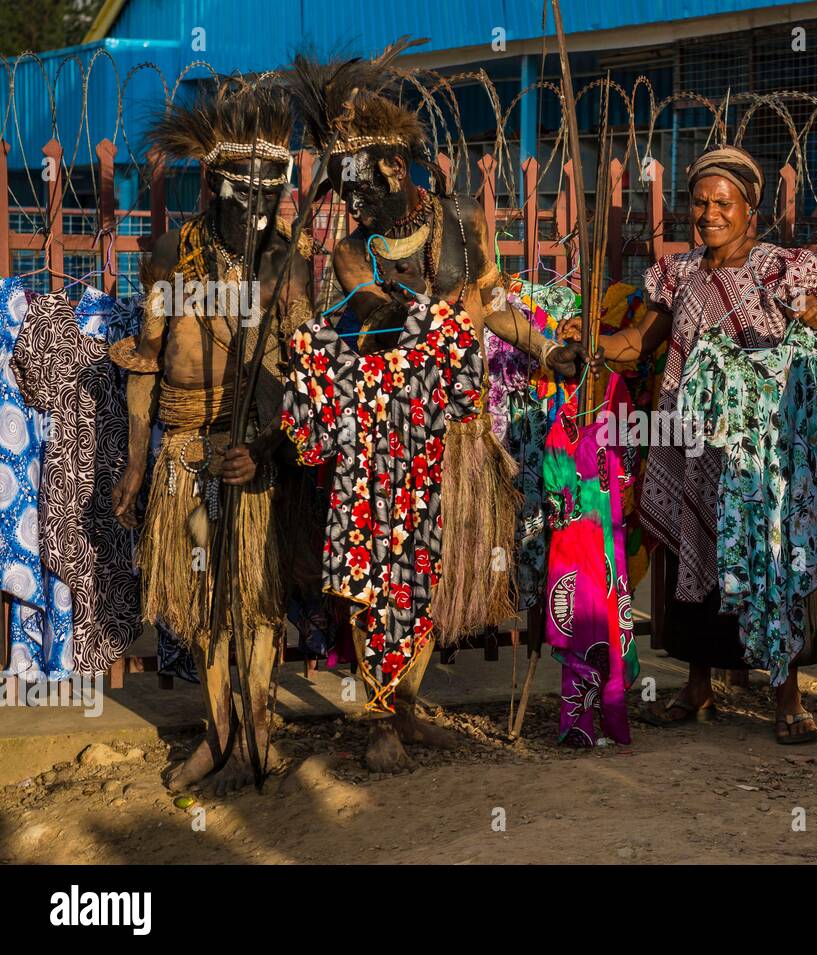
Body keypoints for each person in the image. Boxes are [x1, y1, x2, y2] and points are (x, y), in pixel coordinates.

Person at [283, 52, 582, 772]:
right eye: (344, 194)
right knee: (378, 567)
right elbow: (375, 310)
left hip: (455, 430)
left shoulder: (458, 222)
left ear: (393, 168)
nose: (352, 208)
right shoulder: (356, 251)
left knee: (433, 569)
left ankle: (405, 703)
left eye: (359, 187)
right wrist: (420, 315)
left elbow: (496, 305)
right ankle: (378, 718)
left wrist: (546, 352)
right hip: (385, 435)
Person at [568, 144, 817, 743]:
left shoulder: (779, 269)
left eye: (724, 202)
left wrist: (814, 321)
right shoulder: (682, 273)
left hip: (756, 454)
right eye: (700, 202)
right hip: (691, 448)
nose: (709, 213)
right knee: (695, 556)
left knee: (767, 560)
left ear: (749, 210)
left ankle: (786, 695)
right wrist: (581, 346)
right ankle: (698, 686)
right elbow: (637, 346)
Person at [109, 81, 315, 794]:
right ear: (216, 188)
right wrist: (137, 462)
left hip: (248, 453)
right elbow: (145, 362)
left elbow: (305, 377)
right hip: (184, 451)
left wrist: (264, 447)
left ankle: (257, 722)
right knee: (203, 600)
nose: (260, 213)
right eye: (247, 197)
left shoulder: (285, 264)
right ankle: (217, 730)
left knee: (256, 599)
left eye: (272, 197)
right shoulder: (171, 254)